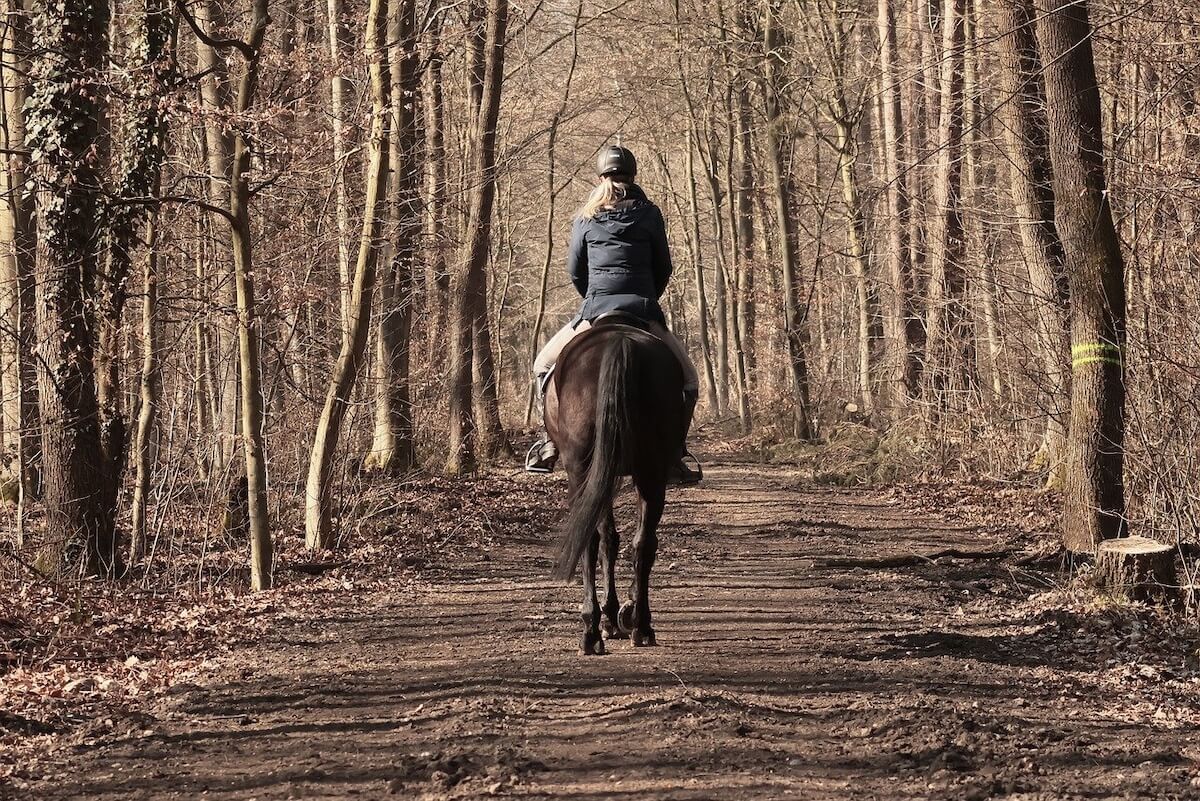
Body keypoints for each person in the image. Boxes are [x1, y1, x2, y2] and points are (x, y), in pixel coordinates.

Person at [525, 145, 702, 484]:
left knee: (543, 366)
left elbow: (575, 271)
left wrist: (594, 300)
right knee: (689, 382)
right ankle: (676, 452)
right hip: (643, 312)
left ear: (601, 177)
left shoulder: (585, 218)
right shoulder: (650, 214)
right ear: (633, 177)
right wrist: (646, 299)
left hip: (595, 311)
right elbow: (663, 267)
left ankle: (549, 443)